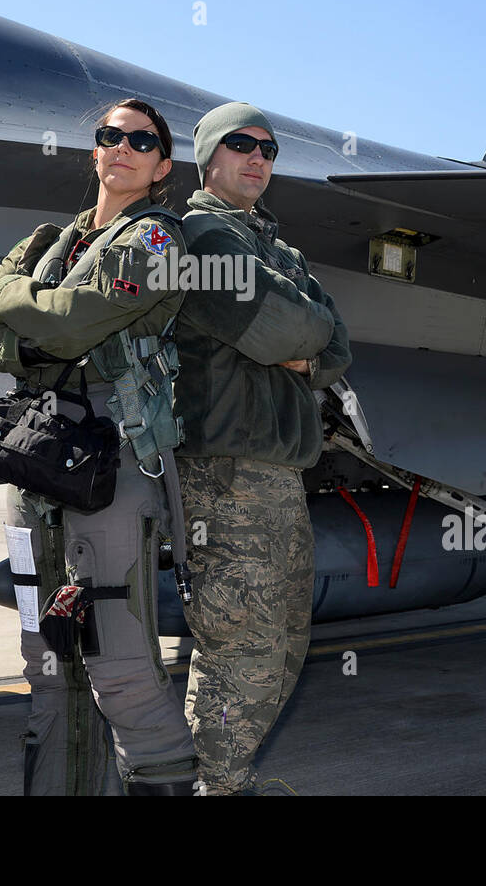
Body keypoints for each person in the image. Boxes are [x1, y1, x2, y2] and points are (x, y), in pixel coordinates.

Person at [0, 98, 197, 795]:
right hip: (33, 466)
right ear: (93, 151)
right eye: (109, 136)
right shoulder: (47, 244)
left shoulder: (156, 243)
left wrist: (12, 307)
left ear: (161, 164)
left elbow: (70, 326)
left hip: (110, 465)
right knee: (47, 666)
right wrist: (30, 322)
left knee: (119, 667)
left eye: (141, 140)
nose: (123, 147)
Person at [173, 101, 351, 795]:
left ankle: (224, 776)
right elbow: (280, 330)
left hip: (279, 477)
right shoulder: (203, 238)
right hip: (226, 474)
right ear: (209, 157)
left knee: (283, 644)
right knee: (238, 646)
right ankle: (215, 786)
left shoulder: (282, 252)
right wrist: (302, 339)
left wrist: (306, 348)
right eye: (241, 144)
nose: (258, 158)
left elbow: (335, 345)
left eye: (269, 149)